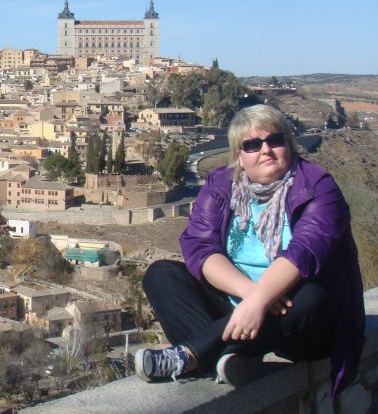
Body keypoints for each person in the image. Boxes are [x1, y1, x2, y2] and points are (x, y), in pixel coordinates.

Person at [134, 105, 364, 395]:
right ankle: (235, 360)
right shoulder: (220, 185)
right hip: (240, 301)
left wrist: (261, 301)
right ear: (240, 156)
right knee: (161, 274)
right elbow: (201, 247)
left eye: (275, 140)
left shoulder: (318, 187)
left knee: (313, 297)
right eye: (253, 145)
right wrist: (251, 294)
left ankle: (191, 354)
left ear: (289, 144)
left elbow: (304, 252)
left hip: (294, 315)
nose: (266, 150)